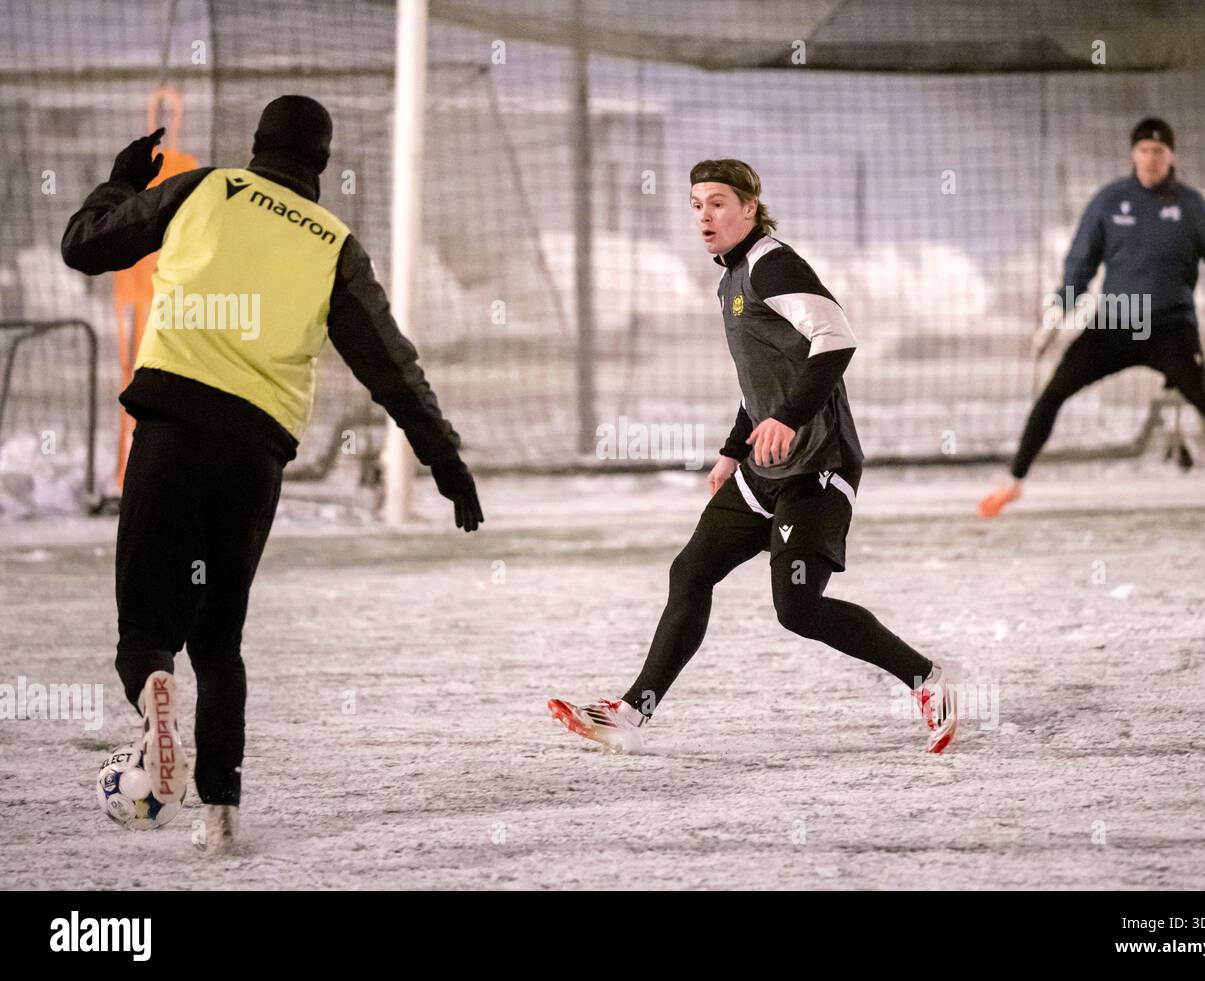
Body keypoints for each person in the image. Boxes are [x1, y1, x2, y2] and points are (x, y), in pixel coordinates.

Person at [62, 95, 483, 850]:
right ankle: (220, 814)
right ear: (322, 163)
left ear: (257, 144)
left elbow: (85, 246)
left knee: (145, 630)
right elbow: (391, 365)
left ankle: (153, 692)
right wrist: (444, 460)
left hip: (169, 424)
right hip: (252, 451)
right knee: (220, 642)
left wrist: (120, 184)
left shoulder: (205, 188)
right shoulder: (333, 241)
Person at [548, 159, 957, 755]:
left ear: (748, 206)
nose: (704, 216)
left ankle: (930, 680)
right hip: (761, 474)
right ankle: (630, 716)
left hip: (818, 469)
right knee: (690, 572)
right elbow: (763, 383)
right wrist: (734, 451)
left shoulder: (773, 264)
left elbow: (836, 339)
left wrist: (788, 420)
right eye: (695, 204)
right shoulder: (730, 279)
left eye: (717, 203)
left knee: (797, 609)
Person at [979, 117, 1205, 525]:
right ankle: (1012, 482)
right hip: (1117, 320)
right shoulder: (1109, 201)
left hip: (1170, 324)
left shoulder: (1190, 206)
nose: (1151, 159)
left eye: (1159, 151)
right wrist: (1056, 314)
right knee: (1053, 393)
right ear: (1132, 154)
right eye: (1144, 150)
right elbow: (1080, 265)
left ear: (1171, 156)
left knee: (1203, 398)